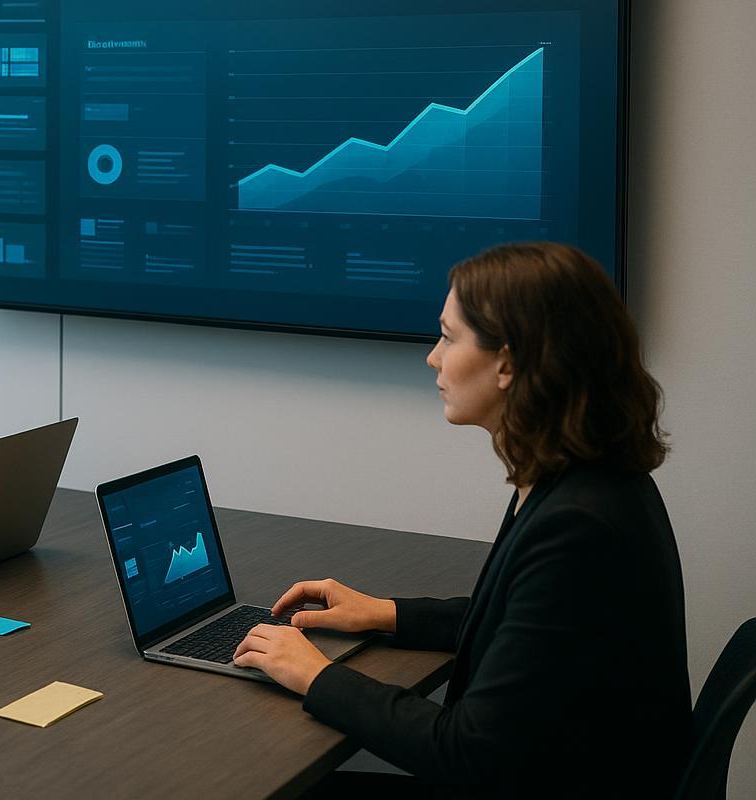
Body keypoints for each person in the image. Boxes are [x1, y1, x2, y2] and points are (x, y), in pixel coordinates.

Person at [232, 242, 692, 798]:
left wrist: (315, 675)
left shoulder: (578, 527)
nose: (433, 357)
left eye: (449, 338)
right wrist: (384, 613)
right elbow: (520, 627)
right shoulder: (586, 477)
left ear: (508, 363)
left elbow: (468, 753)